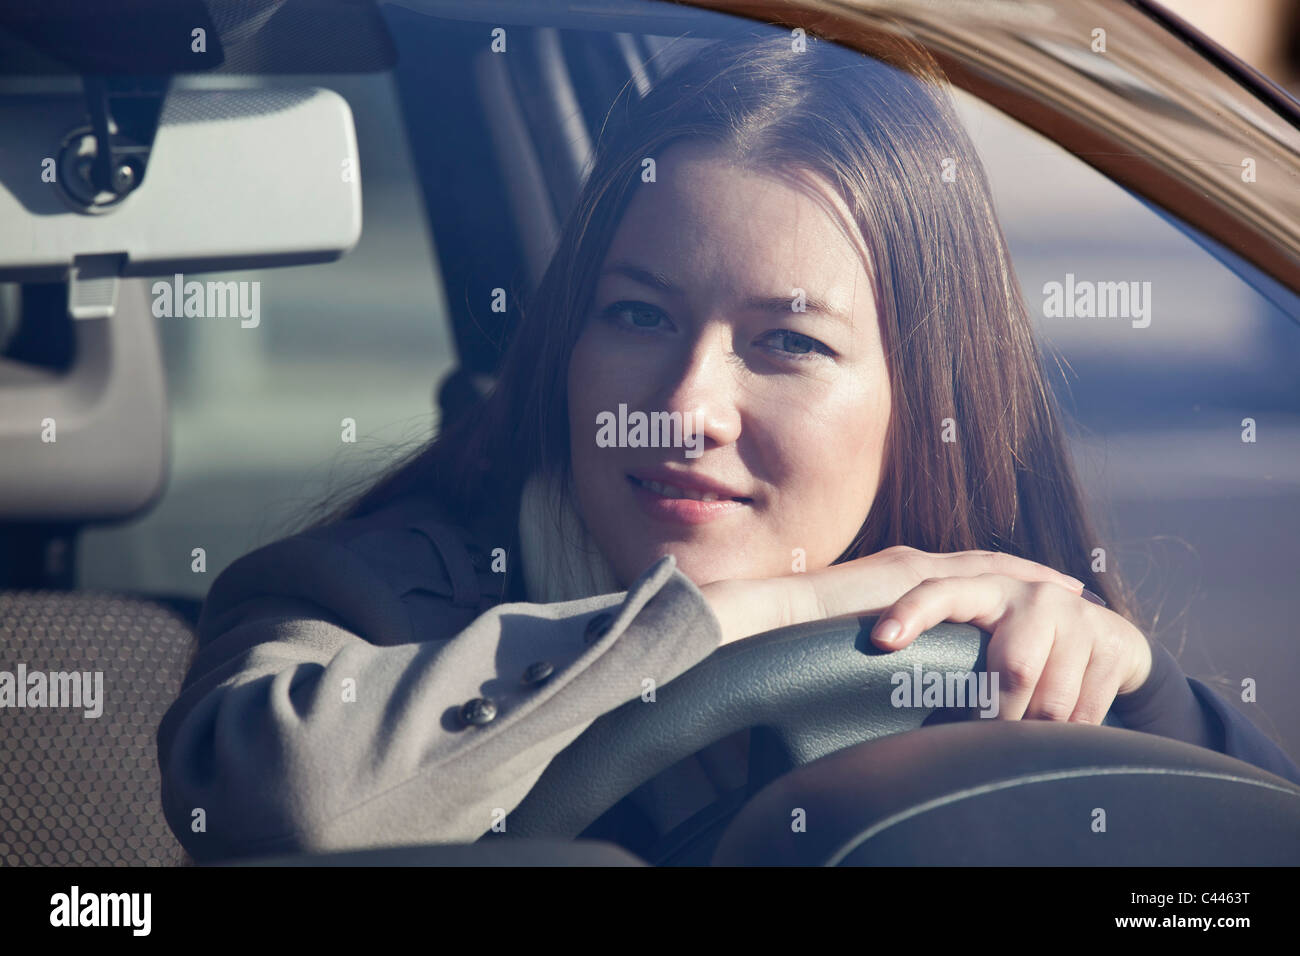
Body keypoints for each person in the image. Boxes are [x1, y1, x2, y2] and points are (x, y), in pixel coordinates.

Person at [156, 30, 1300, 864]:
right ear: (568, 341)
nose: (688, 402)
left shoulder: (989, 639)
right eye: (639, 316)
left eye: (787, 342)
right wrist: (758, 617)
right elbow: (287, 802)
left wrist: (1137, 693)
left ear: (924, 393)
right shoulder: (361, 600)